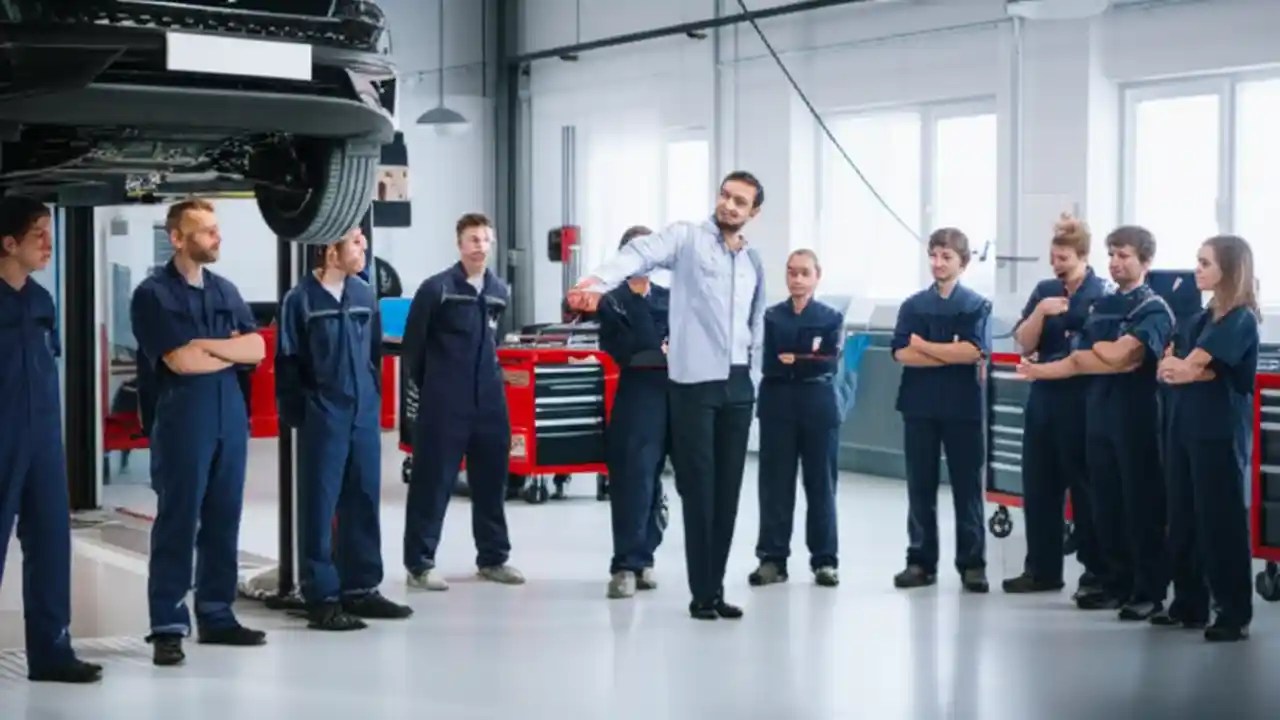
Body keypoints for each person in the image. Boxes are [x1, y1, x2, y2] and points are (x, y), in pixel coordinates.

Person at [567, 171, 767, 621]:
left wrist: (754, 377)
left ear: (753, 213)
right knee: (698, 490)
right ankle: (700, 595)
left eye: (741, 202)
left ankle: (715, 589)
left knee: (728, 493)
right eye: (725, 196)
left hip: (738, 384)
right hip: (695, 383)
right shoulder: (686, 239)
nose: (730, 206)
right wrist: (595, 282)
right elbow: (639, 252)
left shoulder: (753, 262)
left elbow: (756, 325)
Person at [131, 198, 268, 667]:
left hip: (230, 418)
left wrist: (207, 345)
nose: (217, 238)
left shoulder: (226, 290)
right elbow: (180, 362)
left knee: (224, 518)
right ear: (177, 238)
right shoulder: (153, 294)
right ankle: (168, 627)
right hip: (181, 421)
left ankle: (216, 615)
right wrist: (224, 349)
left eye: (216, 229)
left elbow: (255, 350)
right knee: (178, 521)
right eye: (206, 231)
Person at [1017, 226, 1173, 621]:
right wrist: (1041, 371)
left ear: (1145, 261)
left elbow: (1126, 358)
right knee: (1106, 504)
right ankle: (1116, 583)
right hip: (1098, 413)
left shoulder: (1154, 309)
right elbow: (1078, 359)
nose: (1117, 262)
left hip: (1135, 416)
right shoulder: (1104, 306)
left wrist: (1102, 353)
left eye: (1125, 255)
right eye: (1113, 255)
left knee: (1140, 504)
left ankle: (1148, 589)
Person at [276, 228, 414, 630]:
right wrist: (305, 413)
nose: (364, 249)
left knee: (365, 498)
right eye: (356, 242)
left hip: (362, 414)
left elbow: (373, 354)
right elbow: (288, 363)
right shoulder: (300, 301)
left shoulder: (363, 295)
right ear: (329, 250)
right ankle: (321, 596)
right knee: (320, 506)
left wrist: (369, 401)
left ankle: (362, 589)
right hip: (323, 412)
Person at [0, 196, 103, 684]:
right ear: (8, 242)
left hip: (42, 439)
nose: (48, 243)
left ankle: (52, 652)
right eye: (38, 233)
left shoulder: (41, 301)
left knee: (50, 542)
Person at [402, 212, 524, 590]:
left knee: (491, 481)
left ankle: (493, 558)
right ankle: (420, 564)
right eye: (473, 239)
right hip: (444, 401)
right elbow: (413, 349)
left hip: (489, 400)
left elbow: (495, 342)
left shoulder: (498, 290)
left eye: (486, 239)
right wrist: (435, 388)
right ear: (459, 244)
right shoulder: (436, 289)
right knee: (432, 481)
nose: (480, 247)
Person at [1155, 235, 1258, 642]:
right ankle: (1189, 602)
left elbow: (1186, 367)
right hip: (1184, 425)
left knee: (1220, 520)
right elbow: (1172, 365)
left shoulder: (1240, 319)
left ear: (1228, 269)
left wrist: (1189, 367)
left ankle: (1232, 612)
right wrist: (1189, 367)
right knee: (1182, 516)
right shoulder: (1202, 318)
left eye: (1204, 263)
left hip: (1217, 429)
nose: (1196, 270)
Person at [1002, 214, 1108, 597]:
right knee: (1039, 485)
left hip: (1081, 400)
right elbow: (1024, 344)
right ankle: (1042, 568)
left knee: (1085, 489)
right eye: (1053, 257)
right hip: (1043, 400)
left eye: (1063, 258)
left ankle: (1096, 571)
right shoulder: (1045, 290)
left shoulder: (1101, 294)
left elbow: (1091, 352)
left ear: (1082, 255)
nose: (1056, 264)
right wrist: (1039, 312)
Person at [890, 228, 992, 594]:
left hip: (963, 408)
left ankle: (972, 563)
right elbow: (902, 353)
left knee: (966, 487)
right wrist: (946, 350)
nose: (938, 263)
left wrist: (924, 345)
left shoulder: (976, 305)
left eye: (946, 257)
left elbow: (973, 352)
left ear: (962, 263)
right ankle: (920, 560)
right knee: (920, 486)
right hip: (919, 407)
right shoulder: (913, 305)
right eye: (933, 255)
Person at [749, 249, 844, 589]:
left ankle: (825, 560)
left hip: (818, 406)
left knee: (821, 485)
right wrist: (806, 358)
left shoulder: (830, 317)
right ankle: (772, 559)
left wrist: (798, 360)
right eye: (792, 272)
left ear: (817, 276)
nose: (797, 279)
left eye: (804, 273)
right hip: (778, 406)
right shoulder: (772, 318)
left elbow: (828, 361)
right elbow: (771, 362)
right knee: (775, 485)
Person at [596, 225, 671, 599]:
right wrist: (658, 345)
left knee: (656, 482)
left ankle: (646, 557)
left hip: (674, 391)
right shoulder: (612, 300)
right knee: (633, 477)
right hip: (638, 392)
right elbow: (626, 347)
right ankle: (624, 564)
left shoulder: (671, 296)